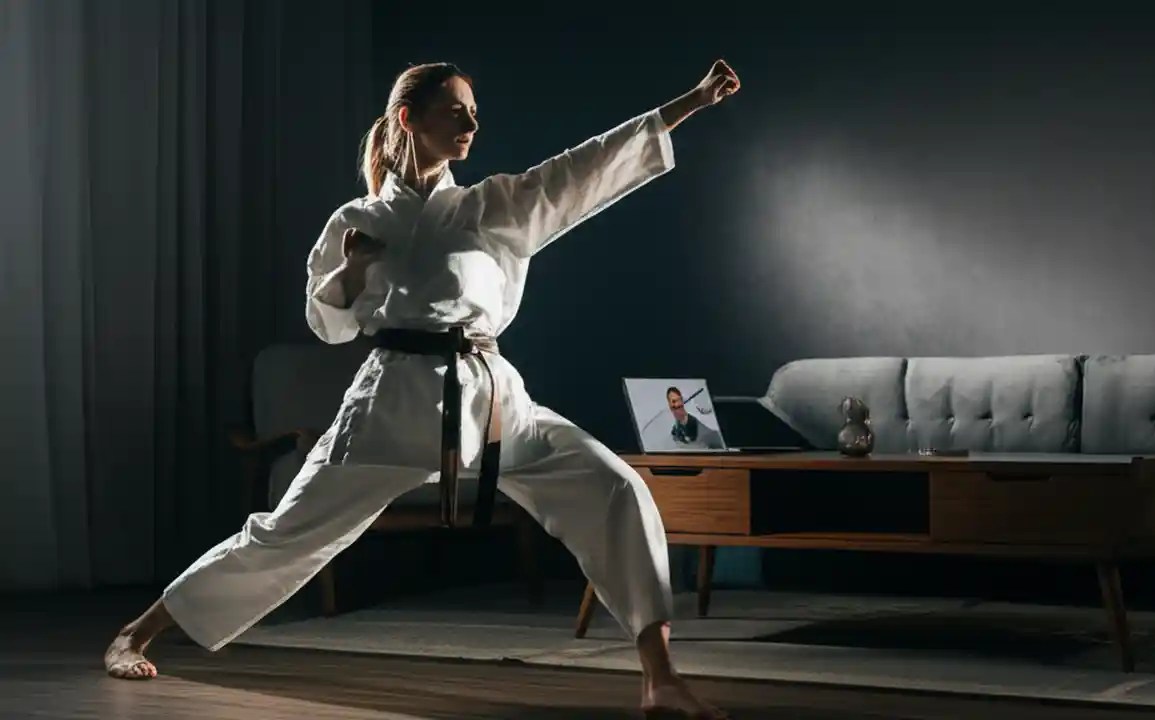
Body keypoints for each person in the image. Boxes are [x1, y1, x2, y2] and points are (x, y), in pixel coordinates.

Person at [104, 58, 741, 719]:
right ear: (408, 119)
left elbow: (583, 169)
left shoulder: (491, 205)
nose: (471, 123)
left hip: (494, 398)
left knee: (615, 487)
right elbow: (327, 323)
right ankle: (137, 631)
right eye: (455, 111)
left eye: (474, 113)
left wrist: (686, 104)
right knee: (284, 532)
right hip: (395, 401)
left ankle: (659, 678)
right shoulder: (360, 217)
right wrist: (351, 271)